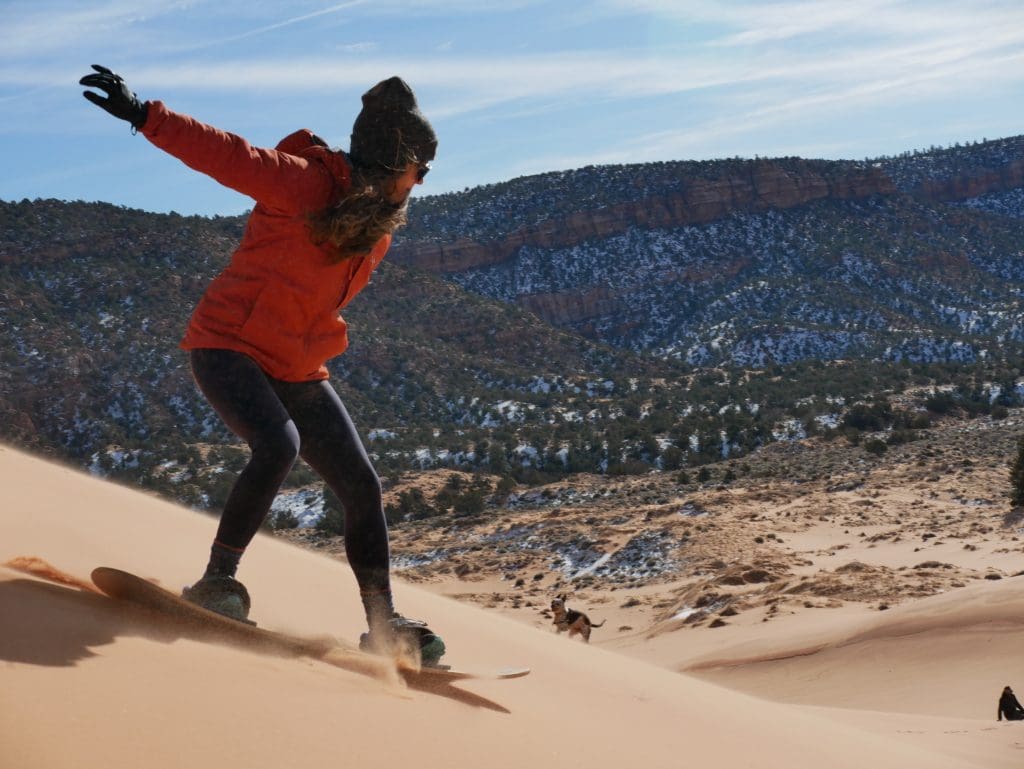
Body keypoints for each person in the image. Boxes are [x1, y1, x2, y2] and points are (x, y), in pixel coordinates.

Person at [79, 64, 444, 665]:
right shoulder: (304, 184)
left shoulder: (377, 230)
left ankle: (385, 624)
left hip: (297, 366)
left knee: (362, 485)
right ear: (393, 158)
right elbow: (231, 155)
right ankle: (217, 582)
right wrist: (146, 115)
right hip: (227, 345)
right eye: (420, 167)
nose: (422, 181)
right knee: (278, 445)